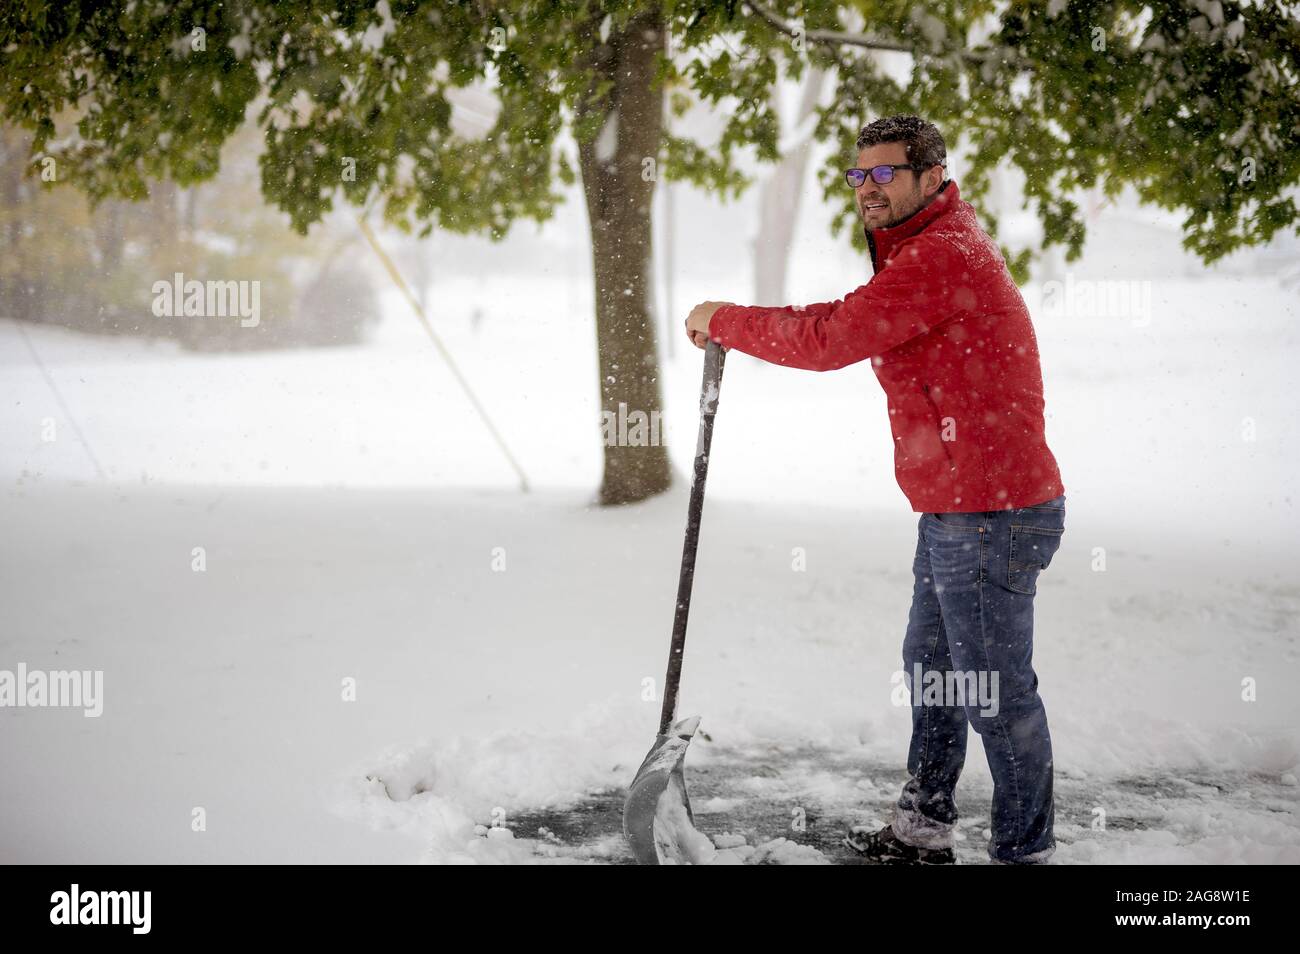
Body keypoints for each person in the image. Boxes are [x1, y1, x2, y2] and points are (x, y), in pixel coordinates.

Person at [684, 115, 1066, 865]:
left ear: (931, 176)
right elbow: (847, 322)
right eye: (859, 175)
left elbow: (833, 337)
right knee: (934, 672)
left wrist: (725, 319)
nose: (868, 187)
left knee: (992, 693)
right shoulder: (926, 251)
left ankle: (1026, 854)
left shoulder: (943, 257)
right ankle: (923, 831)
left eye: (886, 173)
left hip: (994, 511)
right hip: (957, 508)